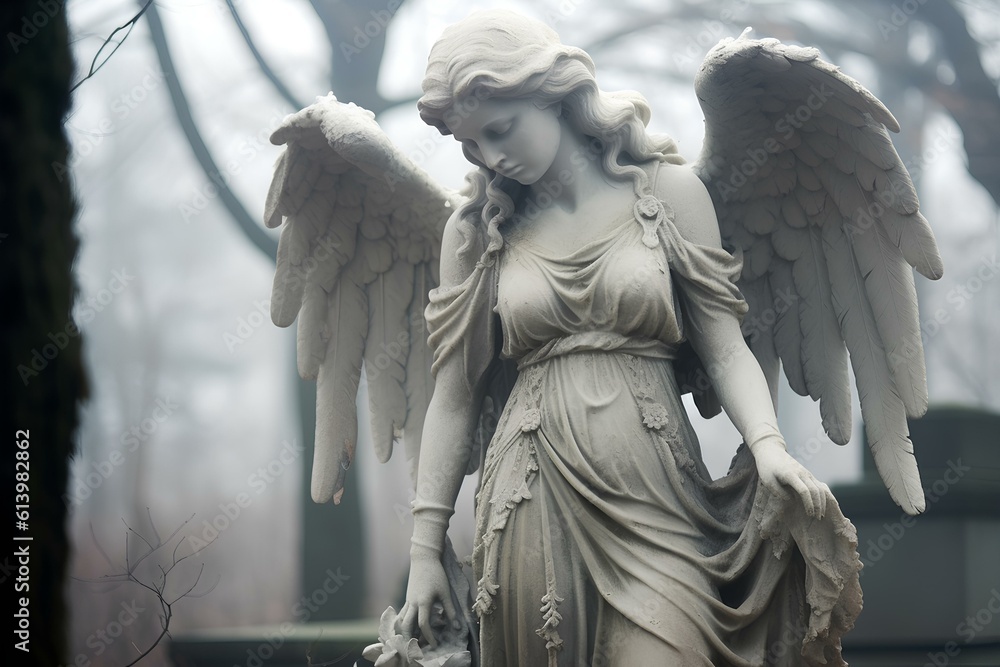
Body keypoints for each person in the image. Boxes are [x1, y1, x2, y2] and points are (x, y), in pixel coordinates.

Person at [398, 9, 861, 666]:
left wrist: (769, 447)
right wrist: (425, 549)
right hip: (531, 496)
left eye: (500, 129)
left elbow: (725, 346)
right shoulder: (477, 232)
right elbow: (453, 397)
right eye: (470, 144)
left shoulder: (670, 193)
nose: (491, 157)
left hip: (658, 498)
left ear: (554, 94)